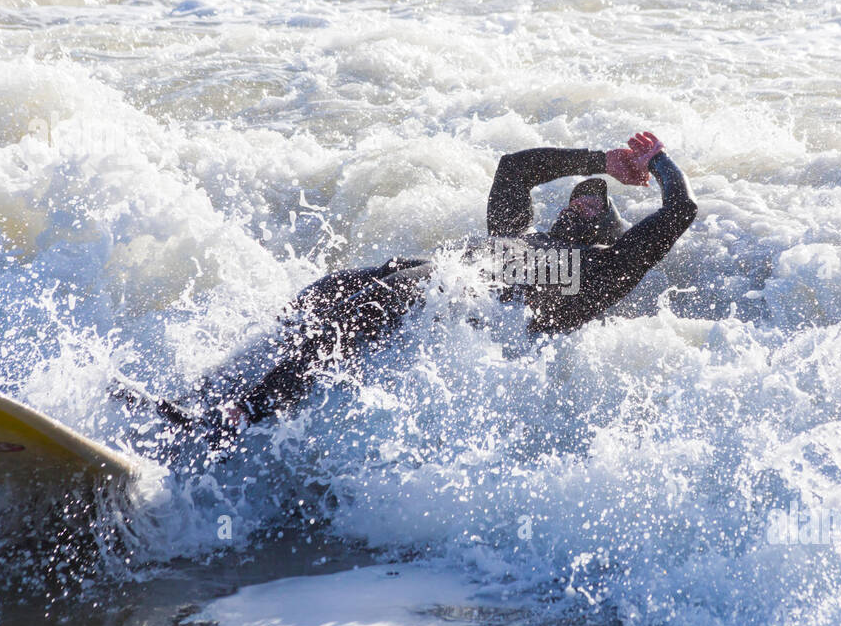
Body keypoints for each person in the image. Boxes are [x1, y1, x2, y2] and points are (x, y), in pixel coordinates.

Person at [145, 131, 695, 457]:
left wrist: (658, 161)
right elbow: (515, 168)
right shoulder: (520, 237)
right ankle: (210, 391)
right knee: (331, 290)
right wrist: (601, 162)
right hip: (432, 281)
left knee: (363, 306)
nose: (584, 200)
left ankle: (236, 417)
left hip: (461, 308)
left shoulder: (599, 275)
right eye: (580, 196)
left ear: (608, 230)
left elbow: (680, 212)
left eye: (597, 202)